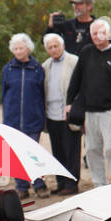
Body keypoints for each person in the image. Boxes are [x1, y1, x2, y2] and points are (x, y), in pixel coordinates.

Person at [66, 17, 111, 187]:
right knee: (92, 149)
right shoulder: (86, 52)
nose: (96, 36)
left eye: (100, 33)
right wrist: (69, 102)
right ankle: (99, 185)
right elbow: (76, 79)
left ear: (108, 35)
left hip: (110, 110)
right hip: (90, 111)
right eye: (93, 33)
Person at [1, 33, 49, 197]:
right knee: (17, 154)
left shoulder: (37, 68)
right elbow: (4, 95)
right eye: (15, 48)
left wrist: (40, 115)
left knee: (33, 153)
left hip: (33, 118)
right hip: (12, 119)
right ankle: (21, 187)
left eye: (21, 48)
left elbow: (42, 94)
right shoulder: (7, 69)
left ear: (28, 48)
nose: (18, 51)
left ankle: (39, 184)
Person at [42, 32, 80, 195]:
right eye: (49, 47)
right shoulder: (46, 65)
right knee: (57, 150)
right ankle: (61, 182)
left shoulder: (73, 61)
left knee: (71, 149)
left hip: (68, 112)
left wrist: (75, 106)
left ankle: (72, 184)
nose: (53, 49)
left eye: (56, 46)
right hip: (52, 113)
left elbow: (80, 84)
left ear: (62, 45)